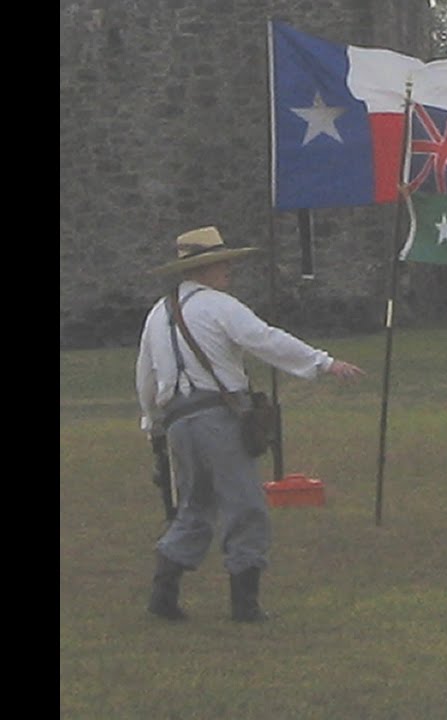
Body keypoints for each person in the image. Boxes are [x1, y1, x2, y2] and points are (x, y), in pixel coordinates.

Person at [136, 226, 364, 622]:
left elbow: (146, 376)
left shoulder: (158, 314)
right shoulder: (218, 306)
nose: (228, 270)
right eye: (222, 263)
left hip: (177, 422)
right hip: (216, 418)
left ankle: (163, 595)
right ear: (203, 269)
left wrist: (153, 422)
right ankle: (245, 606)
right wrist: (323, 362)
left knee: (194, 505)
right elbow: (265, 339)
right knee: (245, 504)